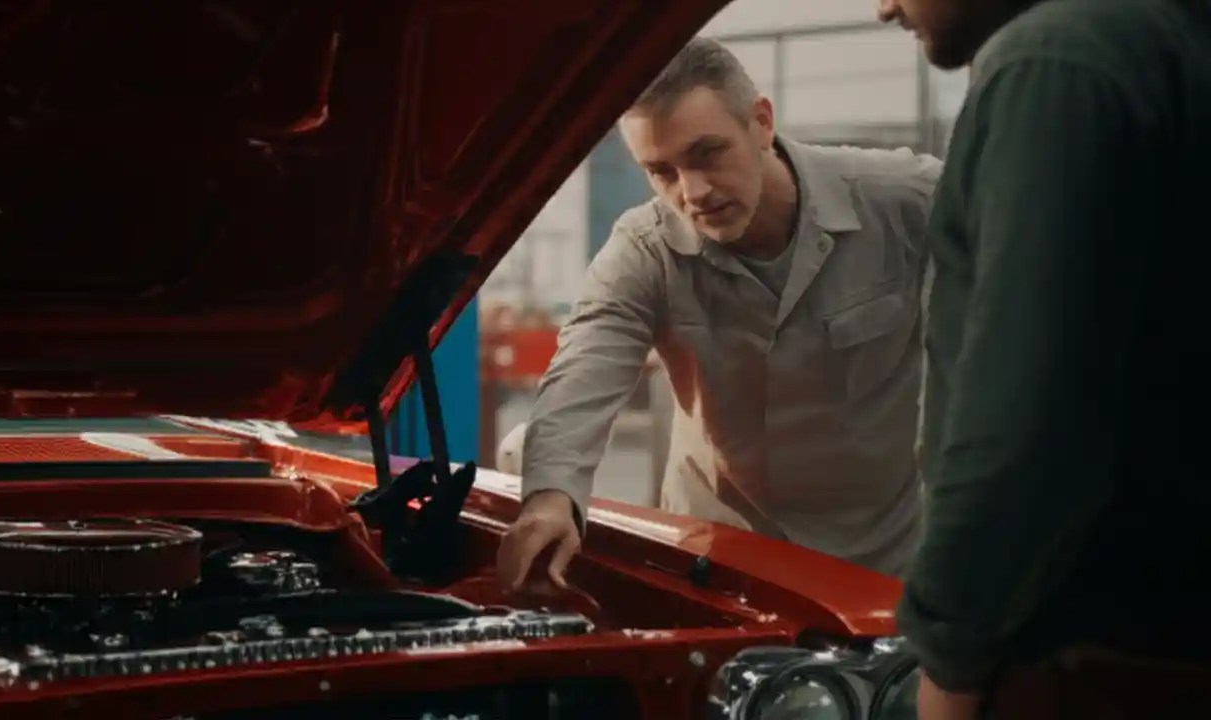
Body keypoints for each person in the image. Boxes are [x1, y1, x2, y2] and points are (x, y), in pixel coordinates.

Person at [496, 37, 942, 589]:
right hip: (719, 562)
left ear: (760, 122)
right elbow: (582, 372)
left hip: (881, 565)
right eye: (661, 172)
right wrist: (549, 499)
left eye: (708, 153)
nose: (694, 191)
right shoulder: (645, 250)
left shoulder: (907, 201)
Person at [876, 0, 1211, 717]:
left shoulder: (1056, 62)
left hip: (1089, 667)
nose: (883, 7)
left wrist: (950, 655)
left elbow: (1026, 425)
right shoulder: (1169, 42)